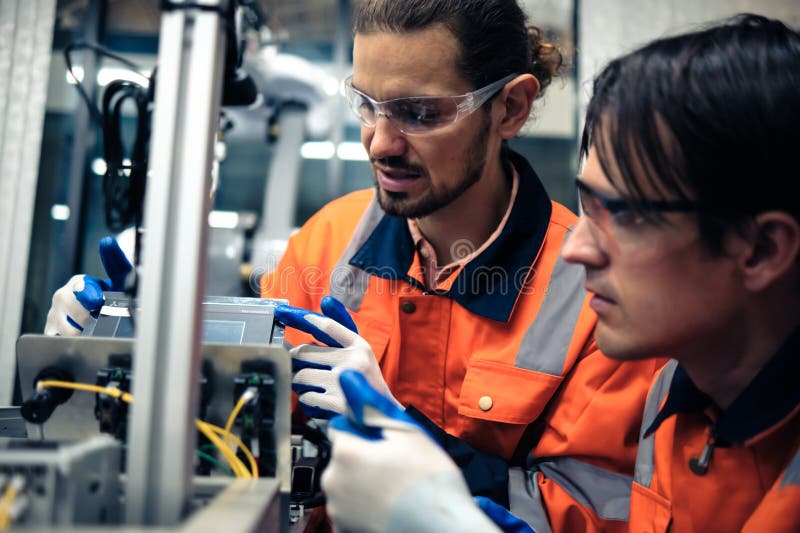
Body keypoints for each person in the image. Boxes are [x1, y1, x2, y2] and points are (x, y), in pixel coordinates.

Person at [46, 1, 660, 529]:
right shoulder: (327, 241)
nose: (379, 142)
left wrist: (410, 443)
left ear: (510, 109)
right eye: (367, 104)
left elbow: (594, 512)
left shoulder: (595, 292)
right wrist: (134, 353)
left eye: (420, 113)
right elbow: (243, 440)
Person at [318, 12, 800, 533]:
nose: (576, 250)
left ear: (761, 250)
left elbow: (586, 511)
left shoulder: (641, 350)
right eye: (589, 205)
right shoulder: (680, 399)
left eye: (626, 215)